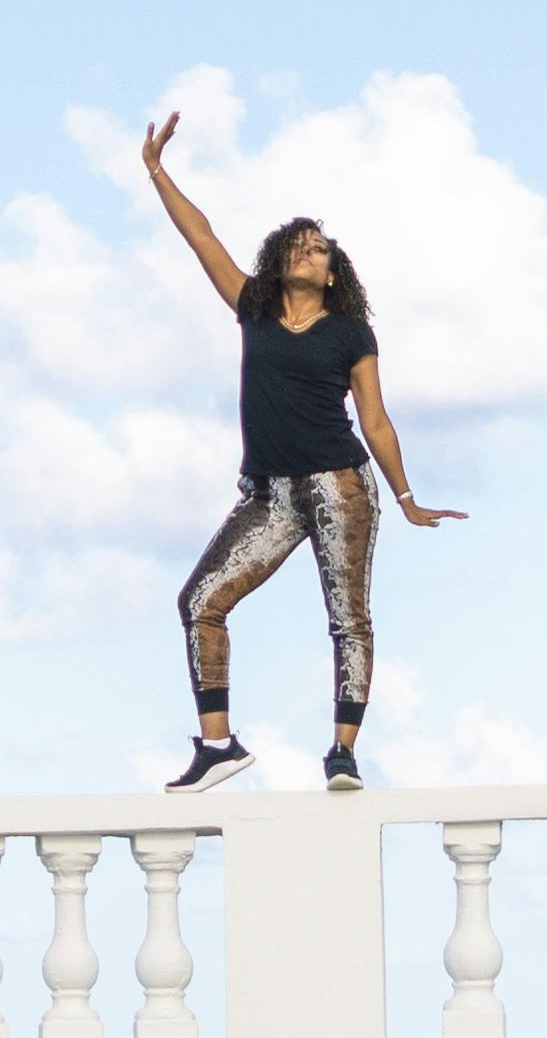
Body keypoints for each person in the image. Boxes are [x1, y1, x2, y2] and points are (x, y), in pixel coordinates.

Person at [139, 109, 461, 789]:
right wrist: (158, 172)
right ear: (281, 259)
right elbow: (202, 237)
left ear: (334, 273)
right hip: (270, 494)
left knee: (348, 617)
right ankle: (218, 745)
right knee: (200, 600)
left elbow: (375, 421)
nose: (310, 251)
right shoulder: (252, 304)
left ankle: (342, 751)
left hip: (341, 485)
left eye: (321, 248)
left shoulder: (350, 333)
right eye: (301, 244)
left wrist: (405, 498)